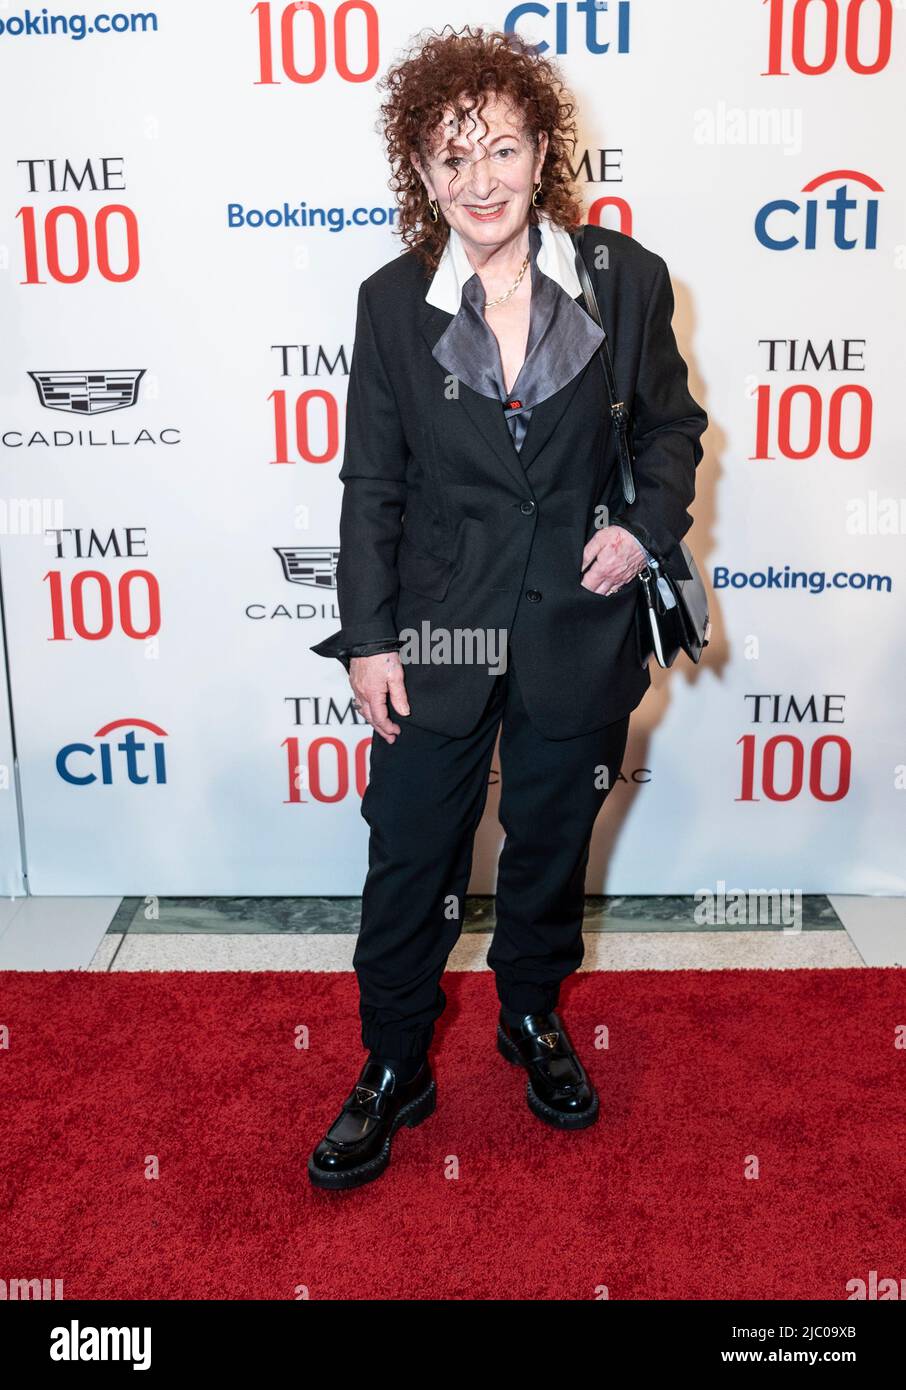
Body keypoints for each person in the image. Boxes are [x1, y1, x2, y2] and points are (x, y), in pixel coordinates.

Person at [307, 26, 708, 1190]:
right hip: (443, 627)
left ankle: (530, 1018)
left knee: (548, 844)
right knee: (411, 850)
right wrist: (370, 638)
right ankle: (392, 1064)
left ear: (543, 155)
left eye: (502, 150)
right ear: (420, 174)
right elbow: (372, 482)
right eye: (451, 156)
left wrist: (641, 529)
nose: (479, 179)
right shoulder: (391, 305)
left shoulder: (624, 280)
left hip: (576, 629)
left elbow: (676, 432)